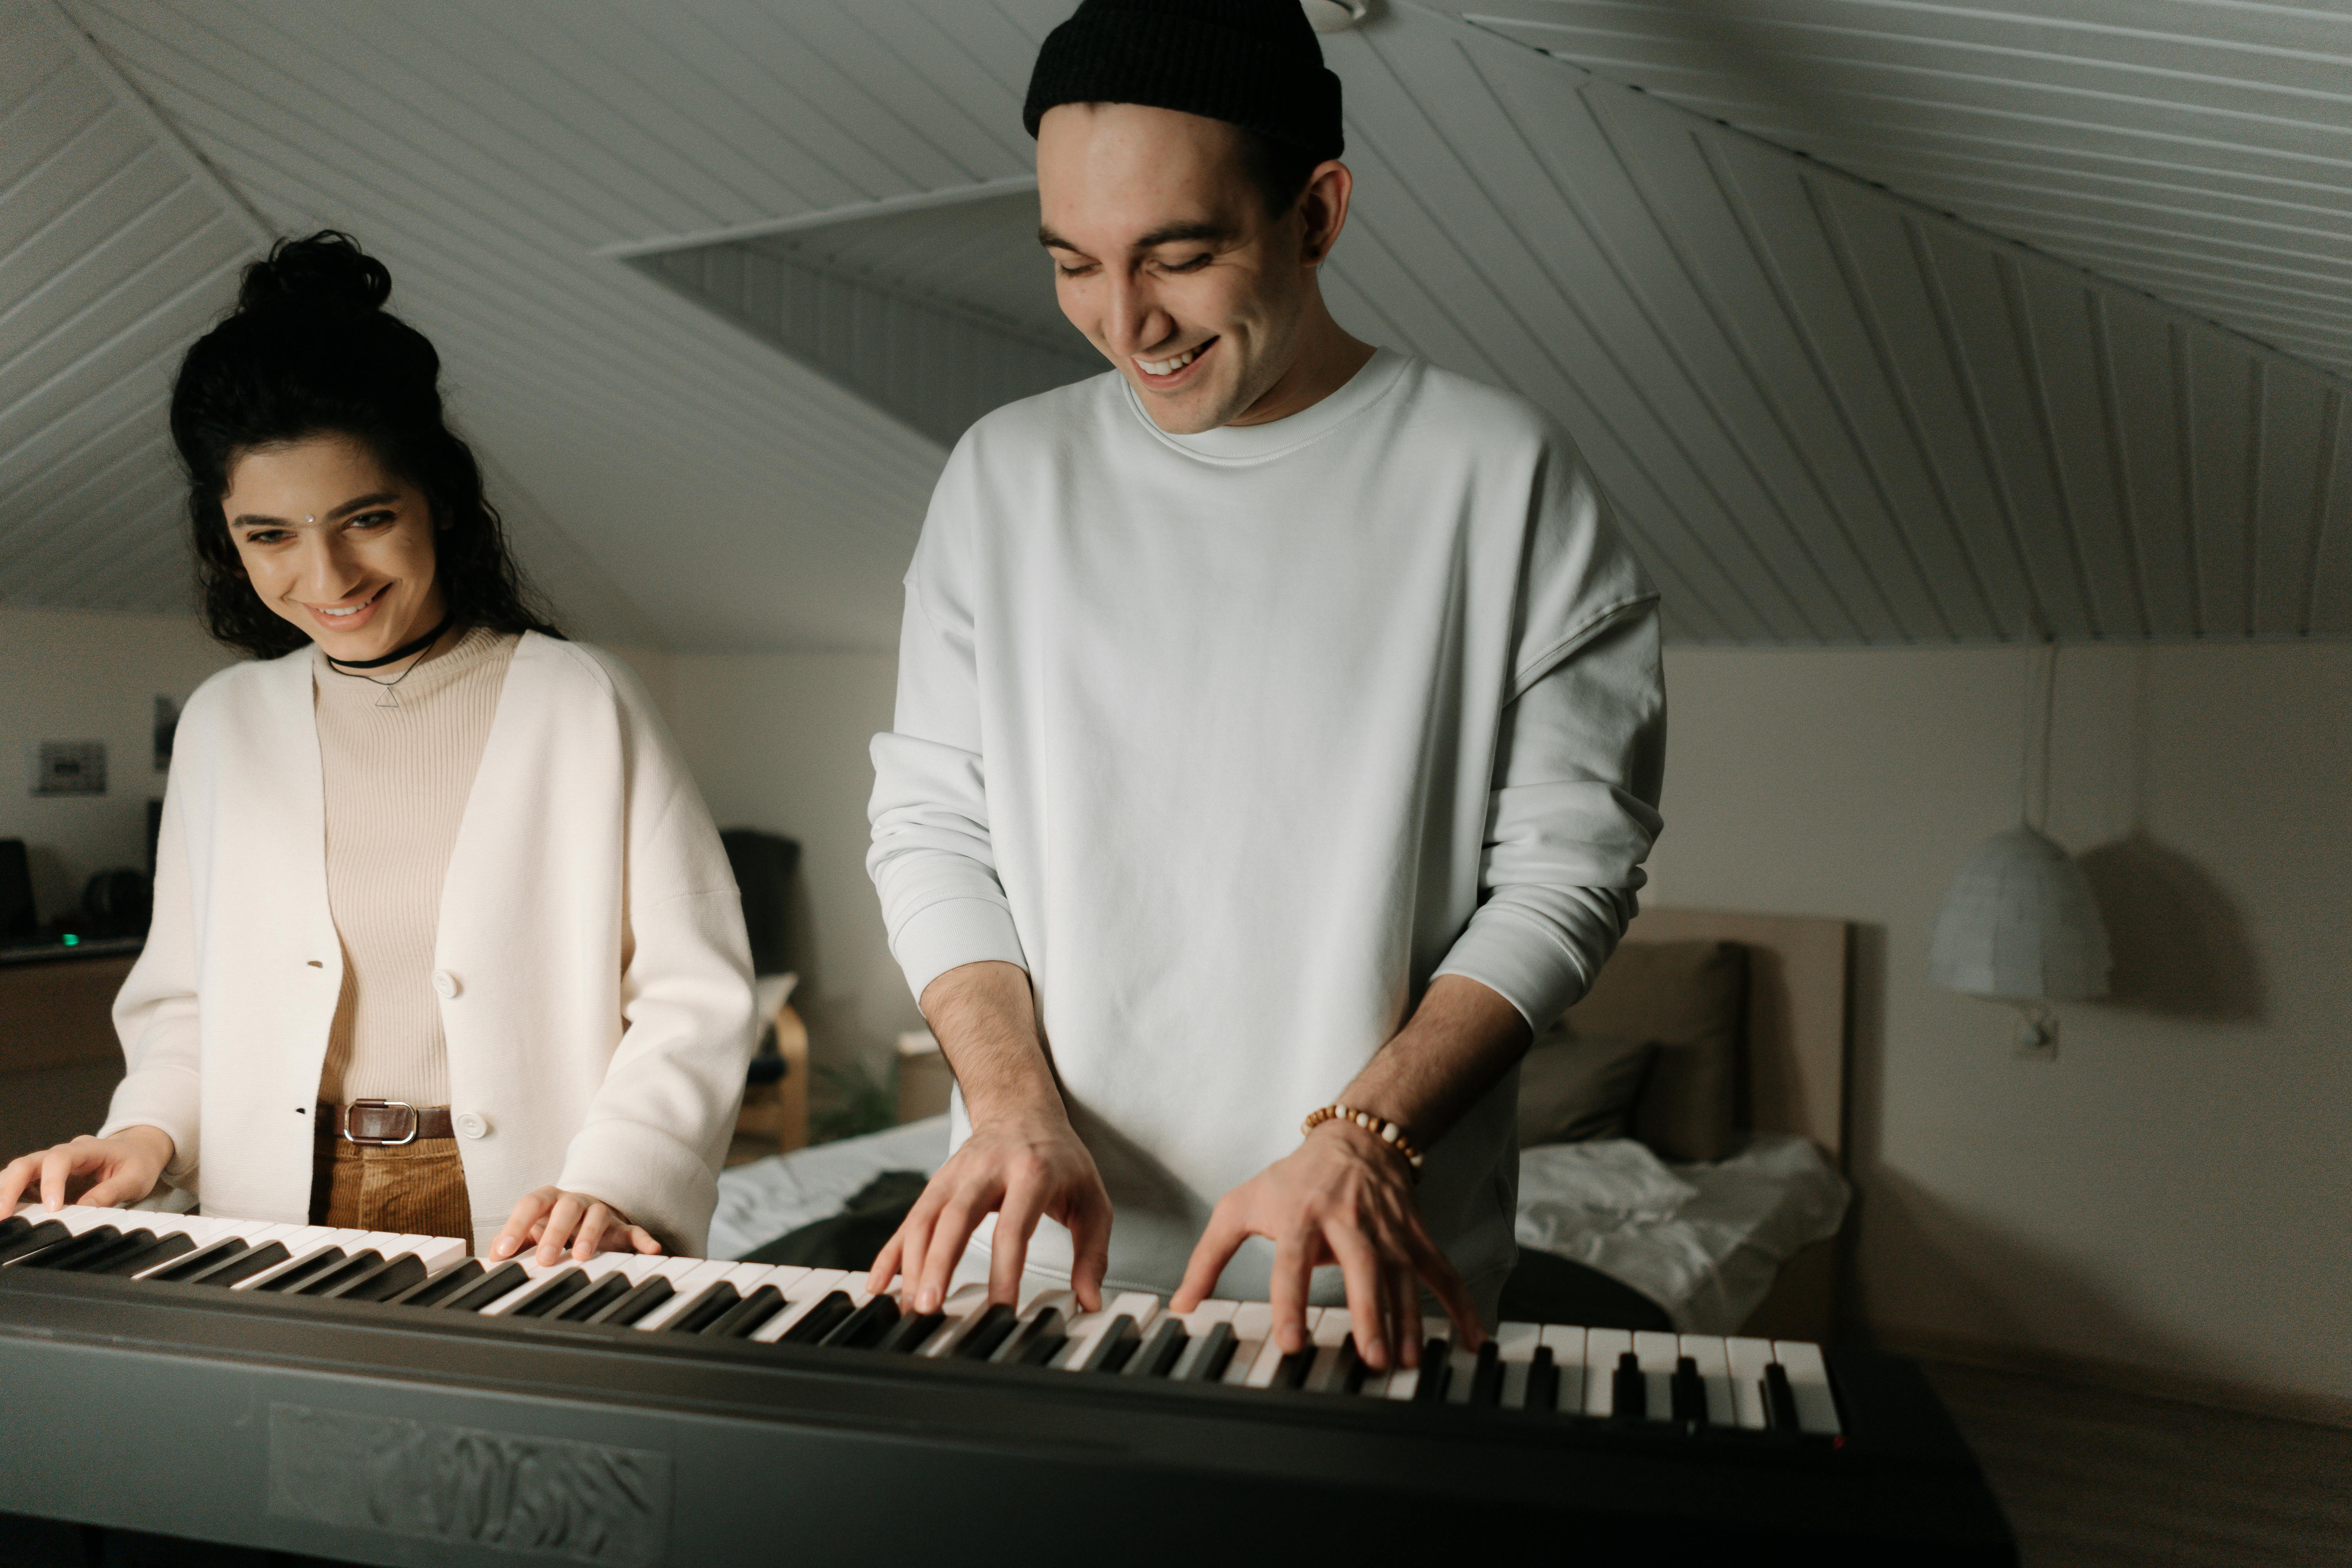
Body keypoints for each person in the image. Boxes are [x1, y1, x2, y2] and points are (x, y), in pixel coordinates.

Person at [863, 0, 1666, 1373]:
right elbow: (935, 830)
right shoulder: (1004, 477)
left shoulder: (1499, 480)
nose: (1126, 325)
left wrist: (1364, 1137)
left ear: (1317, 211)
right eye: (1074, 264)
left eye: (1180, 257)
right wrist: (1004, 1103)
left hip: (1361, 1272)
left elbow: (1567, 875)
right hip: (1042, 1267)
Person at [0, 234, 757, 1264]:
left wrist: (614, 1180)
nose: (327, 575)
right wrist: (146, 1134)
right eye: (269, 535)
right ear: (226, 533)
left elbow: (692, 992)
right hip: (271, 1210)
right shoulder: (225, 727)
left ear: (438, 497)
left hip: (540, 1220)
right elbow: (185, 1003)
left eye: (366, 518)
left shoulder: (579, 703)